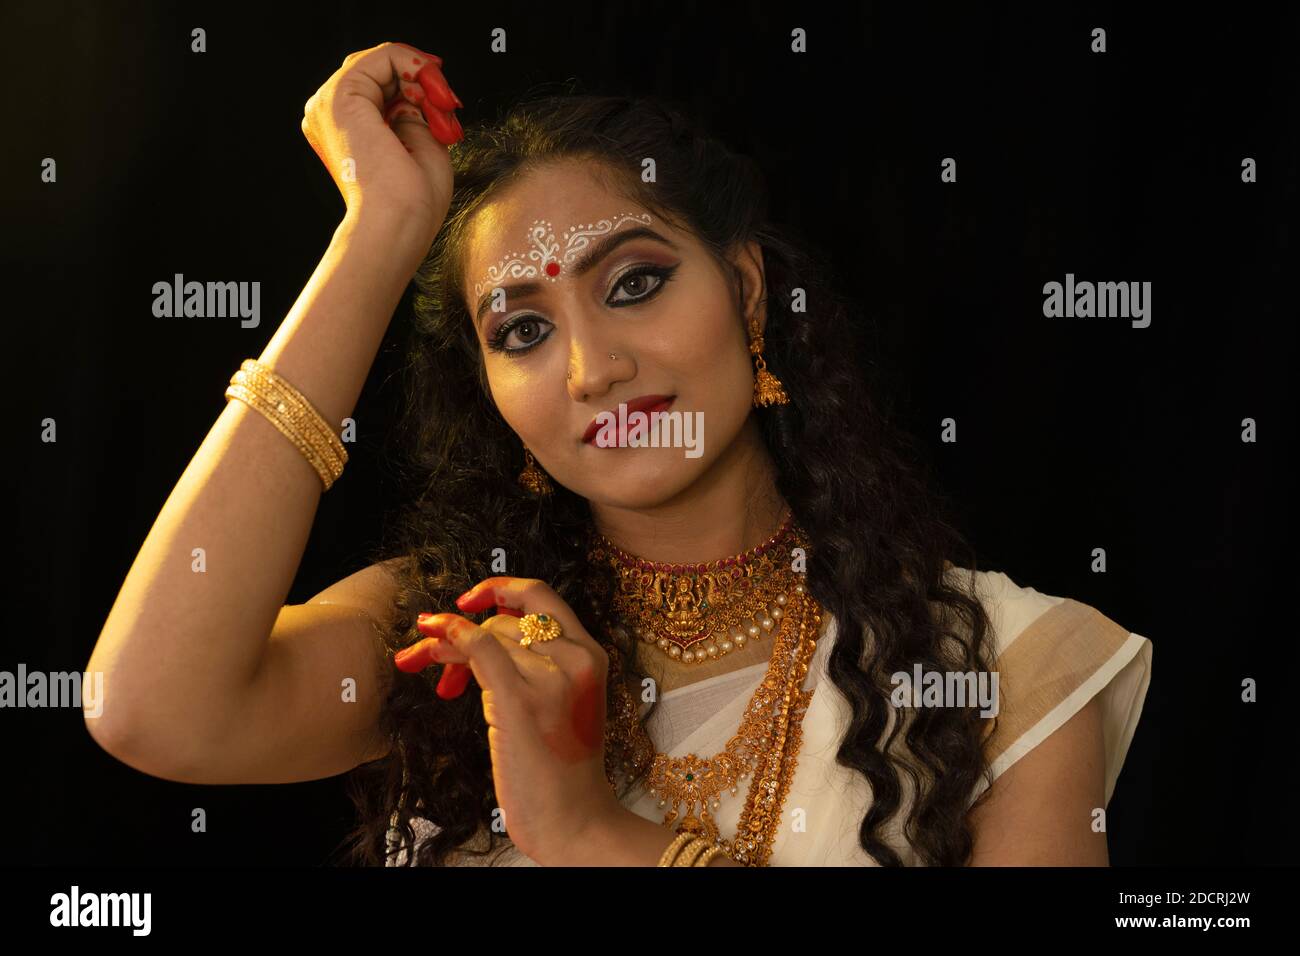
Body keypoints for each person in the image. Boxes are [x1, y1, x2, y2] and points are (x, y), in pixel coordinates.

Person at [85, 42, 1153, 868]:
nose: (591, 367)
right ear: (493, 397)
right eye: (522, 330)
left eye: (633, 281)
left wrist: (595, 833)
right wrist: (377, 234)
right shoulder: (469, 643)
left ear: (743, 293)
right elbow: (148, 705)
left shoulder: (1005, 665)